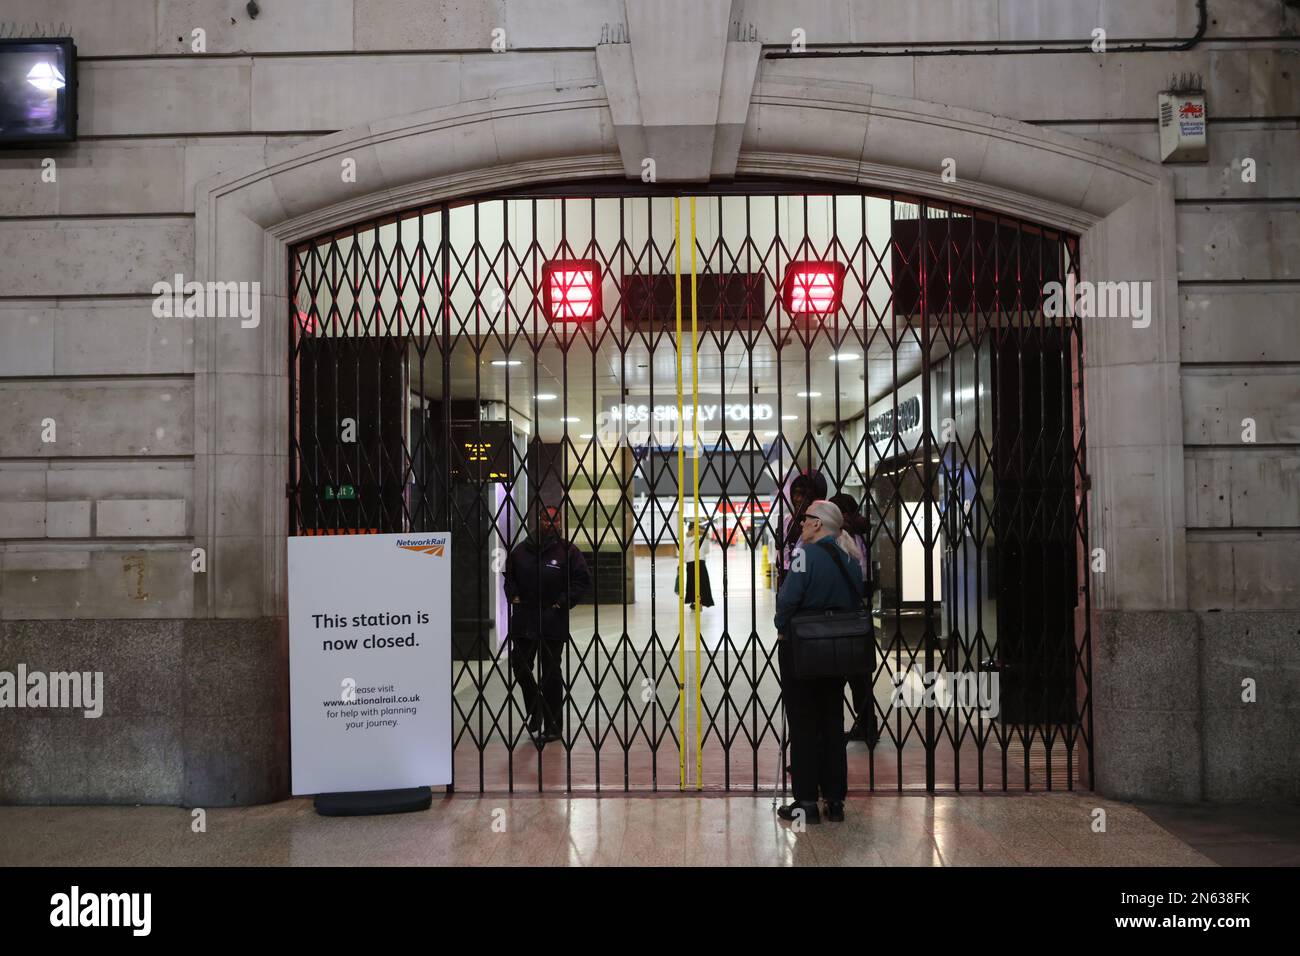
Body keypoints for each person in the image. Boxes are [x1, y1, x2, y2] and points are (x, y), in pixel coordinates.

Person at [774, 499, 865, 824]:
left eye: (805, 518)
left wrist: (781, 626)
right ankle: (835, 800)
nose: (800, 523)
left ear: (817, 523)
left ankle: (807, 803)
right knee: (831, 721)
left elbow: (787, 600)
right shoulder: (850, 556)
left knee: (803, 724)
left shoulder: (803, 556)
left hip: (804, 650)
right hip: (838, 651)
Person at [503, 504, 590, 744]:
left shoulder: (568, 552)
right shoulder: (521, 551)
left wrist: (562, 603)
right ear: (537, 521)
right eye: (545, 519)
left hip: (553, 620)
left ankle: (553, 726)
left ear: (561, 522)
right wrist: (515, 596)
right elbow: (509, 577)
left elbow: (581, 581)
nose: (550, 524)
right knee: (520, 665)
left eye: (555, 520)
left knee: (550, 671)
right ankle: (536, 706)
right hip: (525, 619)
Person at [830, 492, 878, 746]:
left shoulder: (846, 536)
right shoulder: (861, 532)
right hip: (859, 614)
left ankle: (866, 726)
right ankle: (868, 726)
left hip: (844, 614)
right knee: (859, 677)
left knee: (848, 676)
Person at [776, 468, 827, 587]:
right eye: (795, 493)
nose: (797, 499)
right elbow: (782, 551)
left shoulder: (821, 522)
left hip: (810, 581)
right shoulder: (786, 521)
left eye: (802, 494)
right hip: (787, 577)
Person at [674, 519, 715, 609]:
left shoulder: (689, 537)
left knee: (692, 583)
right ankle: (701, 601)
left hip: (691, 563)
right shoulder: (705, 537)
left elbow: (685, 552)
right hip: (701, 561)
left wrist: (681, 563)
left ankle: (694, 602)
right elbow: (707, 551)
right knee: (703, 582)